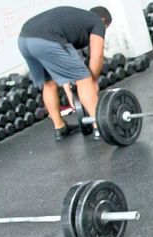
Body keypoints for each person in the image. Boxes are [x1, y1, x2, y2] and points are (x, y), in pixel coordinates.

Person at [17, 6, 111, 142]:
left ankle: (59, 127)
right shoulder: (97, 21)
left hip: (24, 40)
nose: (103, 32)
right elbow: (97, 56)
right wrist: (93, 81)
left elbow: (62, 68)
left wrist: (69, 91)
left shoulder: (75, 20)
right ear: (103, 19)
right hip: (46, 40)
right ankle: (99, 127)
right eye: (106, 28)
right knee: (84, 79)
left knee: (48, 83)